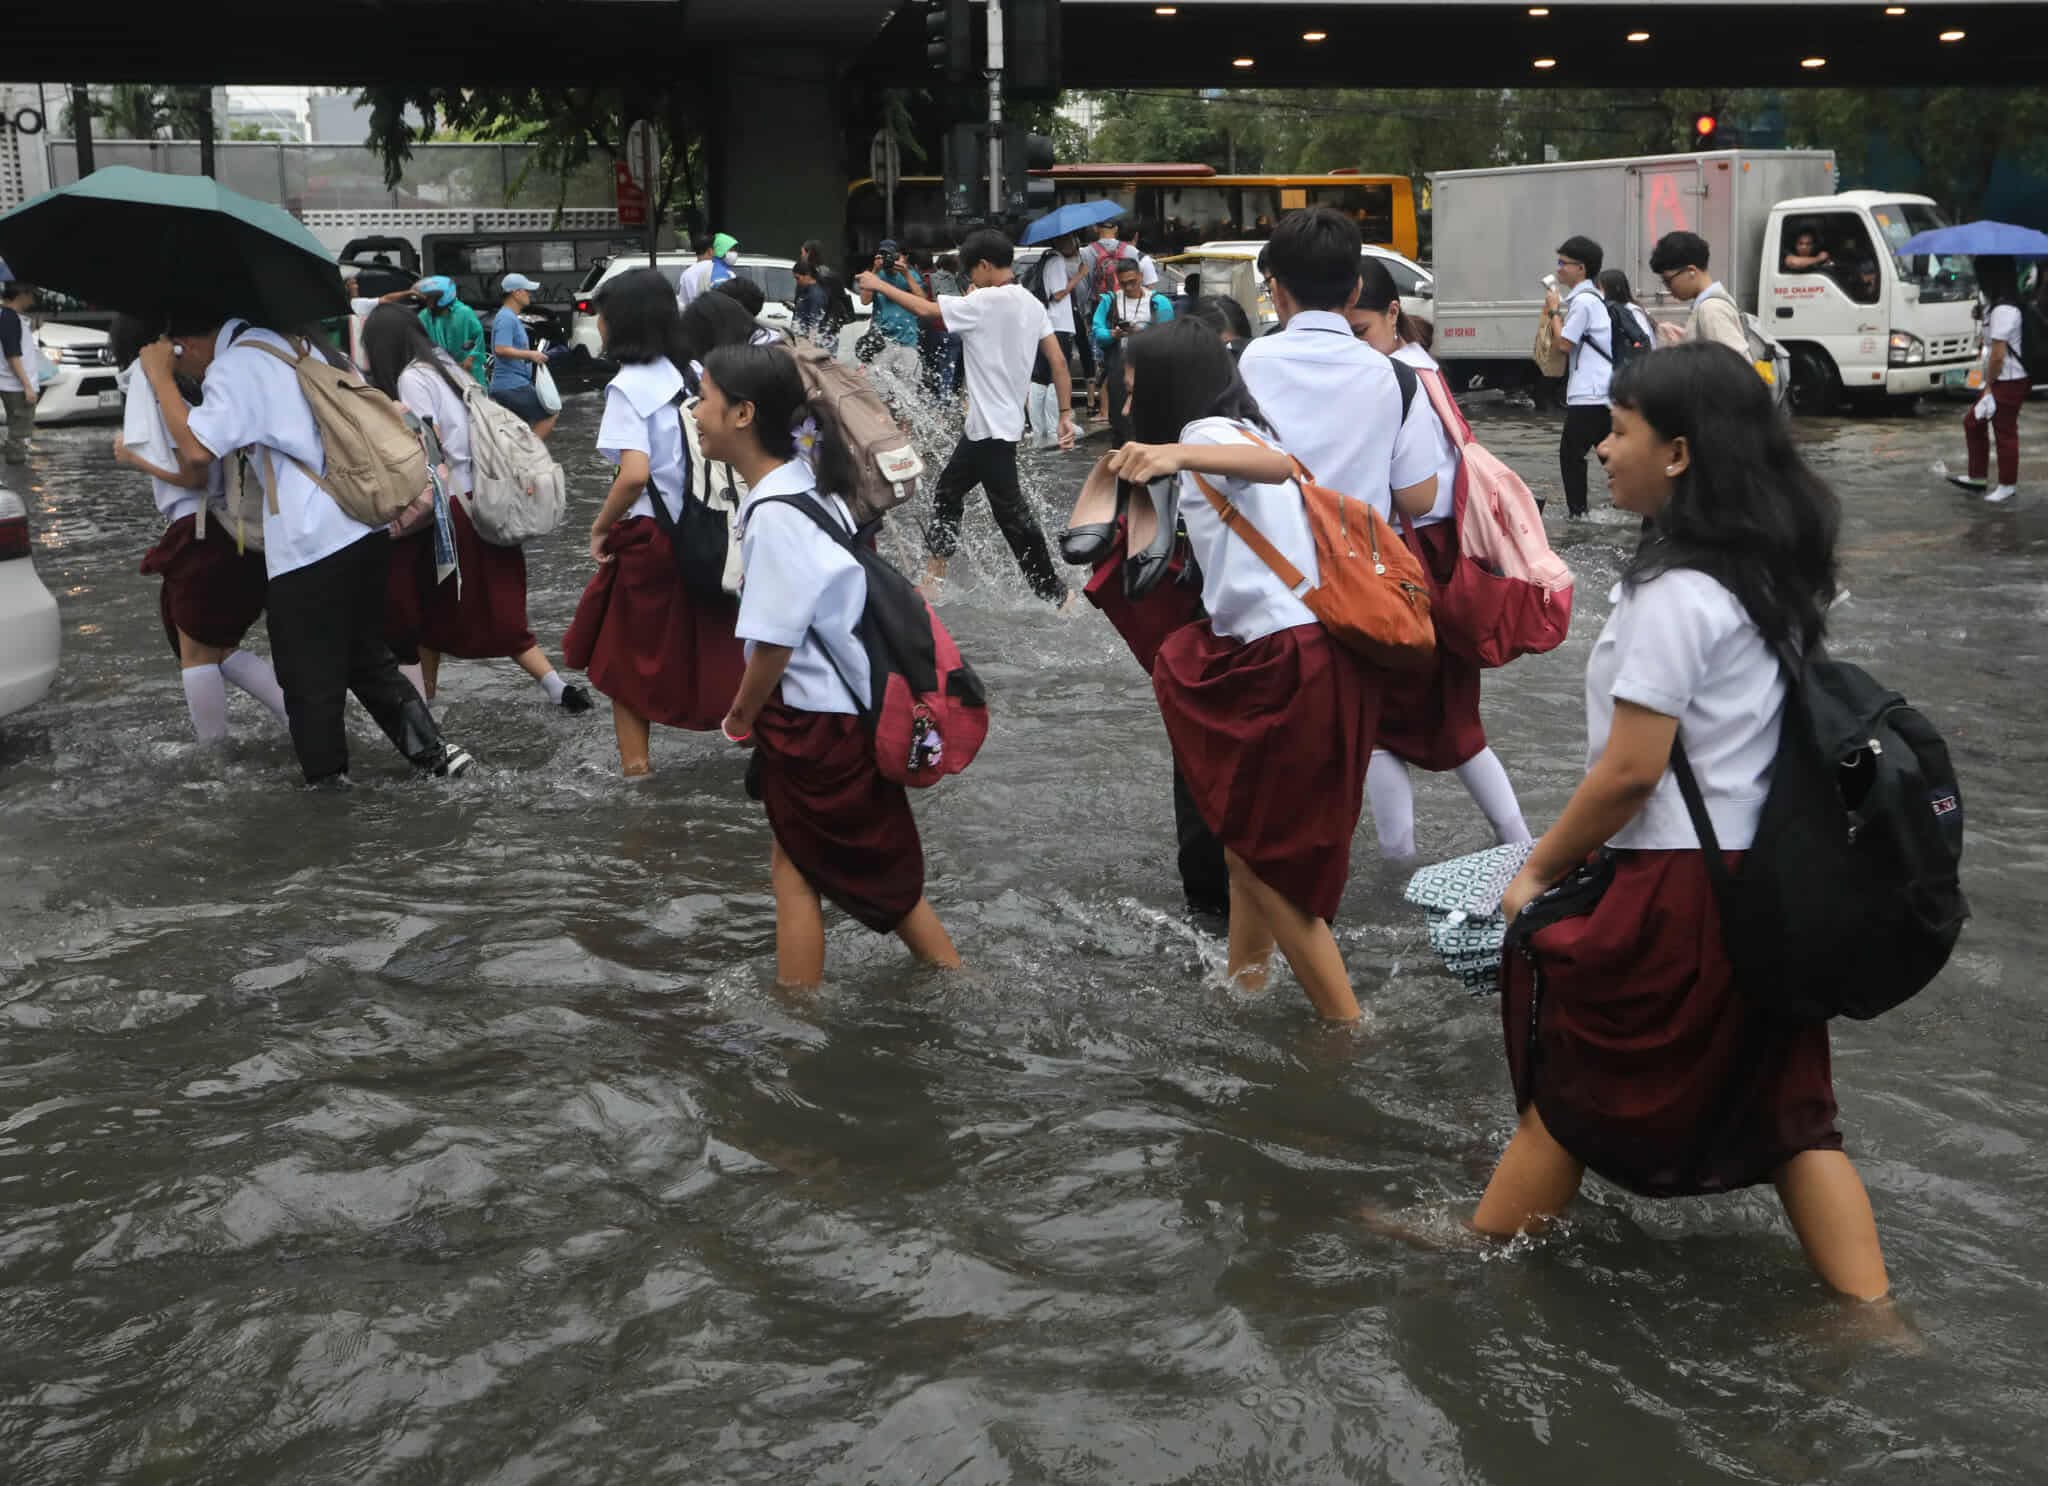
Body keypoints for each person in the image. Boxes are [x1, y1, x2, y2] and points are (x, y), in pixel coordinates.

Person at [1479, 342, 1886, 1301]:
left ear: (1679, 454)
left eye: (1620, 431)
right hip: (1764, 880)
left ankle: (1477, 1253)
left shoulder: (1674, 593)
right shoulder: (1767, 574)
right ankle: (1871, 1315)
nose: (1601, 448)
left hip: (1676, 886)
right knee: (1792, 1112)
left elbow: (1630, 773)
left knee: (1573, 1084)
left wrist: (1535, 871)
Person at [1107, 319, 1376, 1023]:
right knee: (1243, 853)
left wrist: (1173, 452)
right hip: (1304, 653)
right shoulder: (1236, 431)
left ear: (1168, 387)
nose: (1128, 407)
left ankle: (1346, 1030)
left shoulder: (1211, 435)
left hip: (1285, 660)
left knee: (1270, 867)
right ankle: (1243, 986)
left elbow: (1280, 469)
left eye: (1135, 391)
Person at [702, 343, 963, 987]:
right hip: (848, 710)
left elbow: (775, 643)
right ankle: (938, 979)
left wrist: (740, 717)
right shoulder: (808, 481)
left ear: (743, 414)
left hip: (816, 723)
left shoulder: (774, 514)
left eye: (704, 398)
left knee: (816, 872)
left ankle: (803, 1012)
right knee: (819, 864)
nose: (695, 412)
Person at [137, 319, 474, 787]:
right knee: (364, 658)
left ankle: (328, 791)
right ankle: (438, 758)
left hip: (310, 544)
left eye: (178, 356)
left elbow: (196, 452)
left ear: (189, 341)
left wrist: (158, 378)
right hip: (364, 527)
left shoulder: (238, 365)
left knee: (306, 678)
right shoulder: (301, 343)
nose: (186, 371)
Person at [1346, 263, 1531, 860]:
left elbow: (1415, 494)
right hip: (1442, 561)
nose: (1354, 346)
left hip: (1410, 563)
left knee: (1385, 725)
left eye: (1360, 331)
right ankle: (1519, 845)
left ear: (1392, 313)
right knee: (1453, 721)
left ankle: (1401, 866)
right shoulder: (1423, 368)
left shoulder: (1394, 379)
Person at [358, 305, 589, 715]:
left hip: (453, 510)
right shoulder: (447, 366)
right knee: (493, 606)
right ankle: (557, 688)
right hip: (488, 498)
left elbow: (424, 449)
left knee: (430, 611)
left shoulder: (411, 379)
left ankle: (425, 704)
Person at [564, 269, 750, 776]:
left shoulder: (627, 387)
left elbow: (633, 475)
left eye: (602, 313)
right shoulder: (693, 373)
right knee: (721, 650)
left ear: (623, 321)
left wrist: (600, 527)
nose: (599, 323)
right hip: (712, 532)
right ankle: (761, 746)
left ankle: (636, 773)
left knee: (623, 663)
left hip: (652, 539)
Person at [859, 228, 1078, 609]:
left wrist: (879, 284)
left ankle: (1058, 595)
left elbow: (927, 312)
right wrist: (1064, 413)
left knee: (1011, 516)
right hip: (993, 426)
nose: (970, 279)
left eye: (972, 272)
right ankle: (935, 576)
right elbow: (1059, 362)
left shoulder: (985, 300)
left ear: (985, 265)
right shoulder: (1031, 303)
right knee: (948, 491)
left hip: (991, 430)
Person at [109, 314, 289, 745]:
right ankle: (301, 719)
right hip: (227, 530)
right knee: (218, 648)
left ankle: (215, 752)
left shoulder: (163, 395)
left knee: (197, 655)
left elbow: (194, 474)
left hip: (201, 530)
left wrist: (133, 457)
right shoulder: (201, 387)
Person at [1237, 207, 1439, 524]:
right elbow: (1420, 499)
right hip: (1357, 553)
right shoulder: (1399, 379)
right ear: (1356, 290)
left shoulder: (1244, 365)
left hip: (1265, 552)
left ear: (1277, 293)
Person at [1545, 234, 1612, 521]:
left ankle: (1578, 515)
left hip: (1590, 392)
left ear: (1581, 268)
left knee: (1571, 454)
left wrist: (1553, 311)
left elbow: (1564, 343)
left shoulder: (1584, 302)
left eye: (1564, 263)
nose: (1559, 268)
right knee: (1611, 455)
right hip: (1601, 391)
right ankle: (1645, 506)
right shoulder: (1592, 299)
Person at [1956, 255, 2029, 503]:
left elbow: (1998, 355)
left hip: (2009, 380)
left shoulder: (2004, 310)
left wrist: (1988, 386)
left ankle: (2007, 485)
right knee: (1973, 423)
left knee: (2004, 431)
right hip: (2001, 380)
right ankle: (1977, 477)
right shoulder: (1996, 306)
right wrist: (1982, 313)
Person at [1090, 258, 1176, 447]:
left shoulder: (1158, 302)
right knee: (1120, 421)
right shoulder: (1110, 301)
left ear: (1141, 276)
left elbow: (1168, 335)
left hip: (1151, 368)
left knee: (1151, 418)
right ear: (1117, 281)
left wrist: (1142, 333)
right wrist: (1112, 334)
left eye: (1133, 282)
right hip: (1119, 367)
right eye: (1123, 283)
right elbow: (1097, 331)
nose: (1128, 287)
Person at [1648, 231, 1751, 359]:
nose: (1668, 288)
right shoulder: (1710, 305)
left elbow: (1736, 363)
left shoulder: (1711, 310)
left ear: (1691, 271)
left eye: (1668, 281)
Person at [1027, 236, 1081, 446]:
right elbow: (1058, 294)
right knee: (1055, 377)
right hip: (1058, 325)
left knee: (1039, 378)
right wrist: (1079, 276)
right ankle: (1054, 429)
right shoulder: (1057, 260)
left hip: (1045, 323)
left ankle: (1039, 430)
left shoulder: (1045, 259)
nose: (1075, 245)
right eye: (1072, 240)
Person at [489, 273, 556, 439]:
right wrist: (531, 354)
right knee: (549, 415)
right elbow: (500, 349)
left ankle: (517, 453)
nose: (530, 295)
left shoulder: (509, 317)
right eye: (527, 291)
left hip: (511, 384)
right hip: (512, 384)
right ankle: (531, 453)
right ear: (516, 293)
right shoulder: (506, 318)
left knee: (518, 429)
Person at [856, 238, 926, 382]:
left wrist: (906, 274)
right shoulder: (874, 276)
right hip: (882, 342)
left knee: (909, 387)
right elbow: (865, 301)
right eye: (883, 256)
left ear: (898, 256)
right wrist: (875, 270)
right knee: (879, 387)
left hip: (907, 340)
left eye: (890, 256)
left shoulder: (910, 275)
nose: (887, 260)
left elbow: (922, 301)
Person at [414, 276, 489, 388]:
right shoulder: (424, 316)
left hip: (468, 372)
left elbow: (477, 336)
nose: (427, 302)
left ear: (444, 297)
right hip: (440, 372)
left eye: (430, 299)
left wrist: (470, 358)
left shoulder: (464, 313)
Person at [0, 282, 36, 464]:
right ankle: (18, 474)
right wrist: (27, 386)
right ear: (22, 294)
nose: (33, 299)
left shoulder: (9, 317)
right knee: (19, 436)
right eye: (32, 294)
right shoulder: (9, 318)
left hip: (11, 383)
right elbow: (12, 355)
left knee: (17, 434)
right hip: (16, 386)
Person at [677, 232, 739, 309]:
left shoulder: (686, 274)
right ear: (710, 251)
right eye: (730, 250)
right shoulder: (726, 272)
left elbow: (683, 304)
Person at [1597, 269, 1656, 345]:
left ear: (1615, 288)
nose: (1598, 292)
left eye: (1601, 288)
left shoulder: (1632, 310)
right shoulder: (1610, 309)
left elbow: (1646, 341)